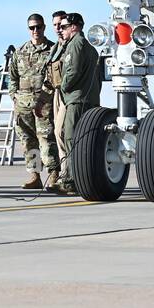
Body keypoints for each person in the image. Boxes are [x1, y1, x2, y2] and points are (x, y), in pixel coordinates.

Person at [7, 13, 58, 190]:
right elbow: (12, 78)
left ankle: (53, 174)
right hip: (23, 105)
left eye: (38, 27)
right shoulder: (20, 52)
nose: (35, 30)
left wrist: (47, 98)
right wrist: (14, 96)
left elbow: (55, 78)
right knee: (28, 141)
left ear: (44, 27)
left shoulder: (53, 50)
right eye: (32, 27)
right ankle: (35, 175)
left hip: (43, 104)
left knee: (46, 139)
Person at [54, 12, 102, 196]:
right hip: (87, 99)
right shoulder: (88, 47)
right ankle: (81, 178)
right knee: (83, 141)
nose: (62, 30)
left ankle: (72, 180)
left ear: (74, 27)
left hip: (77, 100)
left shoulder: (75, 45)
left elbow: (72, 72)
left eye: (65, 27)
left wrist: (63, 87)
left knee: (71, 138)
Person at [46, 10, 69, 169]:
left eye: (61, 24)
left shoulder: (73, 46)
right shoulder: (56, 47)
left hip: (69, 94)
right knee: (57, 132)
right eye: (55, 25)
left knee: (62, 132)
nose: (58, 28)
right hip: (57, 93)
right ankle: (64, 172)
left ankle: (69, 173)